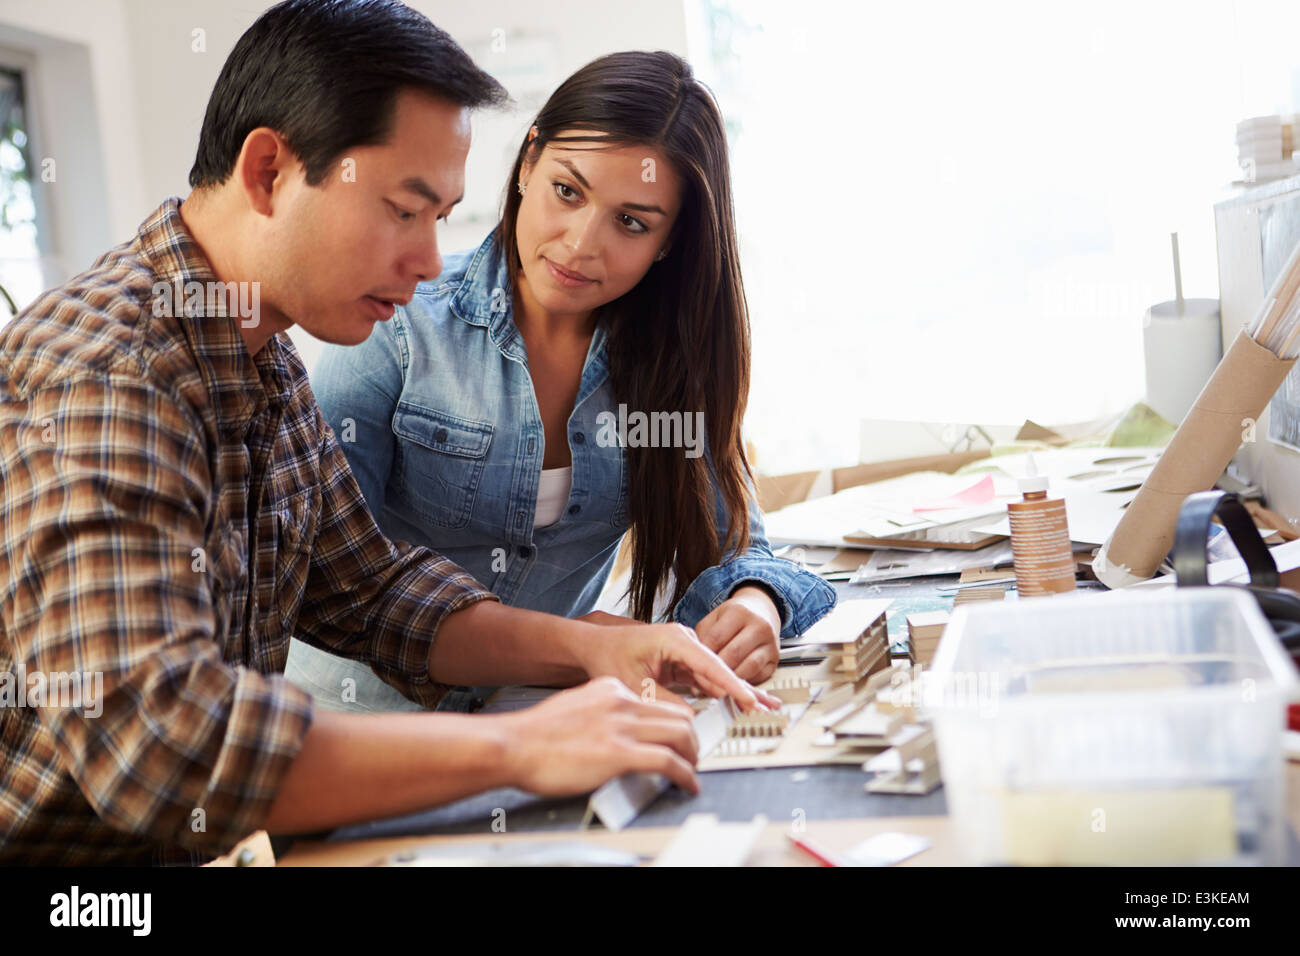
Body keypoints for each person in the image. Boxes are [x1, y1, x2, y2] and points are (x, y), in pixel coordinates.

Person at [0, 0, 774, 866]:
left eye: (440, 218)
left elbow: (376, 594)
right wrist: (525, 746)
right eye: (405, 211)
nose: (431, 261)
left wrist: (596, 646)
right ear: (268, 172)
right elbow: (156, 741)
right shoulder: (113, 372)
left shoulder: (261, 360)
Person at [285, 50, 836, 715]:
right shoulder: (398, 324)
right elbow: (326, 578)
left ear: (668, 243)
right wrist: (581, 643)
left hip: (549, 732)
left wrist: (758, 604)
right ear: (528, 163)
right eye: (567, 192)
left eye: (632, 222)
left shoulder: (665, 367)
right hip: (366, 740)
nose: (580, 244)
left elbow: (743, 550)